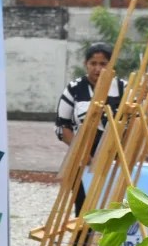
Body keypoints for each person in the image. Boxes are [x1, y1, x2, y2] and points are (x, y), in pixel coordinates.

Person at [54, 42, 126, 218]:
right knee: (84, 209)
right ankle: (82, 243)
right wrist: (81, 151)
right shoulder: (75, 89)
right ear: (86, 64)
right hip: (83, 160)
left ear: (111, 65)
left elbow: (134, 124)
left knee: (113, 207)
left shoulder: (123, 88)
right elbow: (62, 127)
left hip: (115, 160)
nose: (98, 69)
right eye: (93, 63)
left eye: (103, 64)